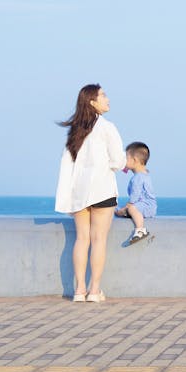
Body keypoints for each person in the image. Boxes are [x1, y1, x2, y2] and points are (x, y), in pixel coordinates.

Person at [54, 83, 125, 303]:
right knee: (99, 239)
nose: (108, 99)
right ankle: (94, 290)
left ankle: (79, 290)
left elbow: (67, 164)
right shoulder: (107, 127)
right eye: (103, 95)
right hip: (102, 189)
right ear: (92, 102)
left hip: (79, 192)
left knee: (81, 239)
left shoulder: (75, 130)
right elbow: (118, 160)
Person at [115, 142, 156, 244]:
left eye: (126, 158)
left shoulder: (137, 178)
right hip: (146, 206)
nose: (124, 161)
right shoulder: (144, 174)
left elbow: (134, 199)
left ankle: (140, 229)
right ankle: (123, 212)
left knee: (130, 208)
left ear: (134, 160)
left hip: (146, 206)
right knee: (126, 209)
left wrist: (125, 208)